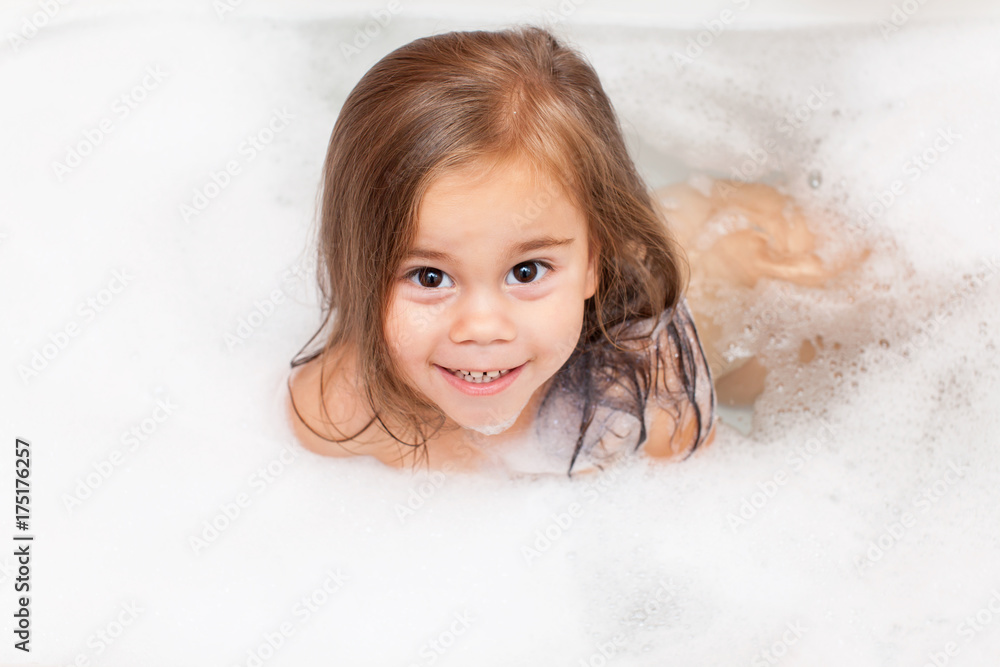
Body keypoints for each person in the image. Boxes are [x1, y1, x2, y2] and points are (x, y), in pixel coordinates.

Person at [285, 25, 845, 477]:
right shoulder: (342, 409)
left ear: (593, 262)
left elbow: (698, 518)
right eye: (430, 277)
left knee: (812, 325)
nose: (482, 327)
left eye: (526, 271)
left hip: (719, 282)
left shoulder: (647, 390)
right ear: (360, 268)